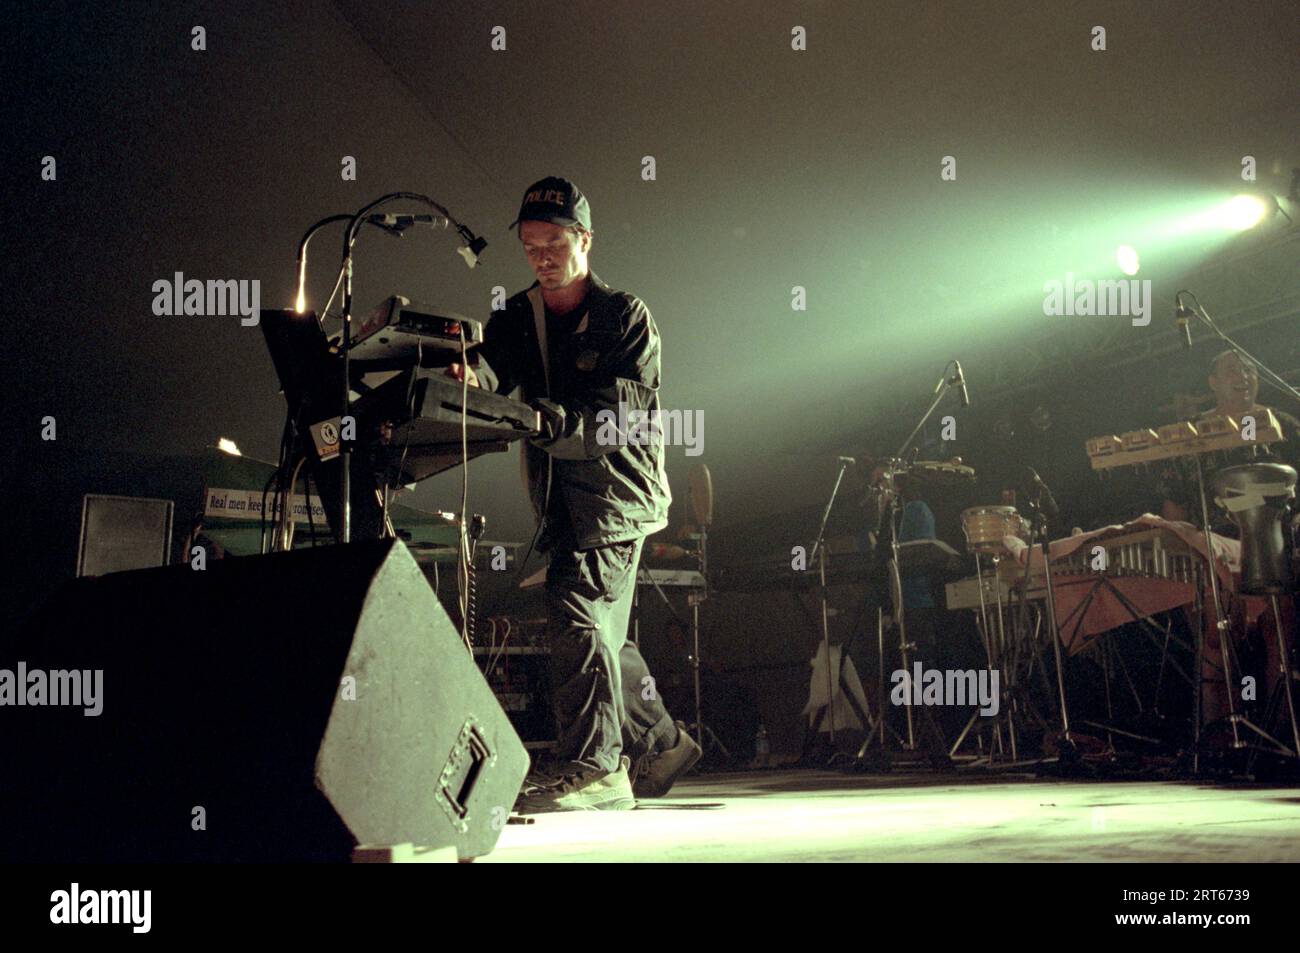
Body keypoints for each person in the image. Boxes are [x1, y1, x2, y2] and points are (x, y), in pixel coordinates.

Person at [452, 177, 701, 811]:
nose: (540, 255)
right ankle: (665, 742)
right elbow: (489, 372)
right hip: (560, 500)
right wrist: (467, 372)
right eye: (530, 244)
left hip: (619, 495)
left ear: (584, 239)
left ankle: (597, 768)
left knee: (576, 608)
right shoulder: (515, 316)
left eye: (554, 242)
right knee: (602, 634)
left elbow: (621, 421)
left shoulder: (625, 317)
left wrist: (540, 420)